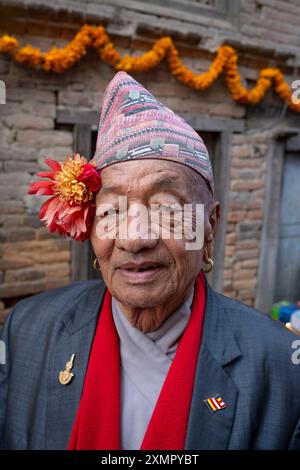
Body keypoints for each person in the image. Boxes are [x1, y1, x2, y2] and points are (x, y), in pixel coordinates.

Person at [0, 71, 300, 450]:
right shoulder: (27, 331)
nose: (134, 238)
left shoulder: (281, 370)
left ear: (209, 226)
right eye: (111, 211)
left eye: (166, 209)